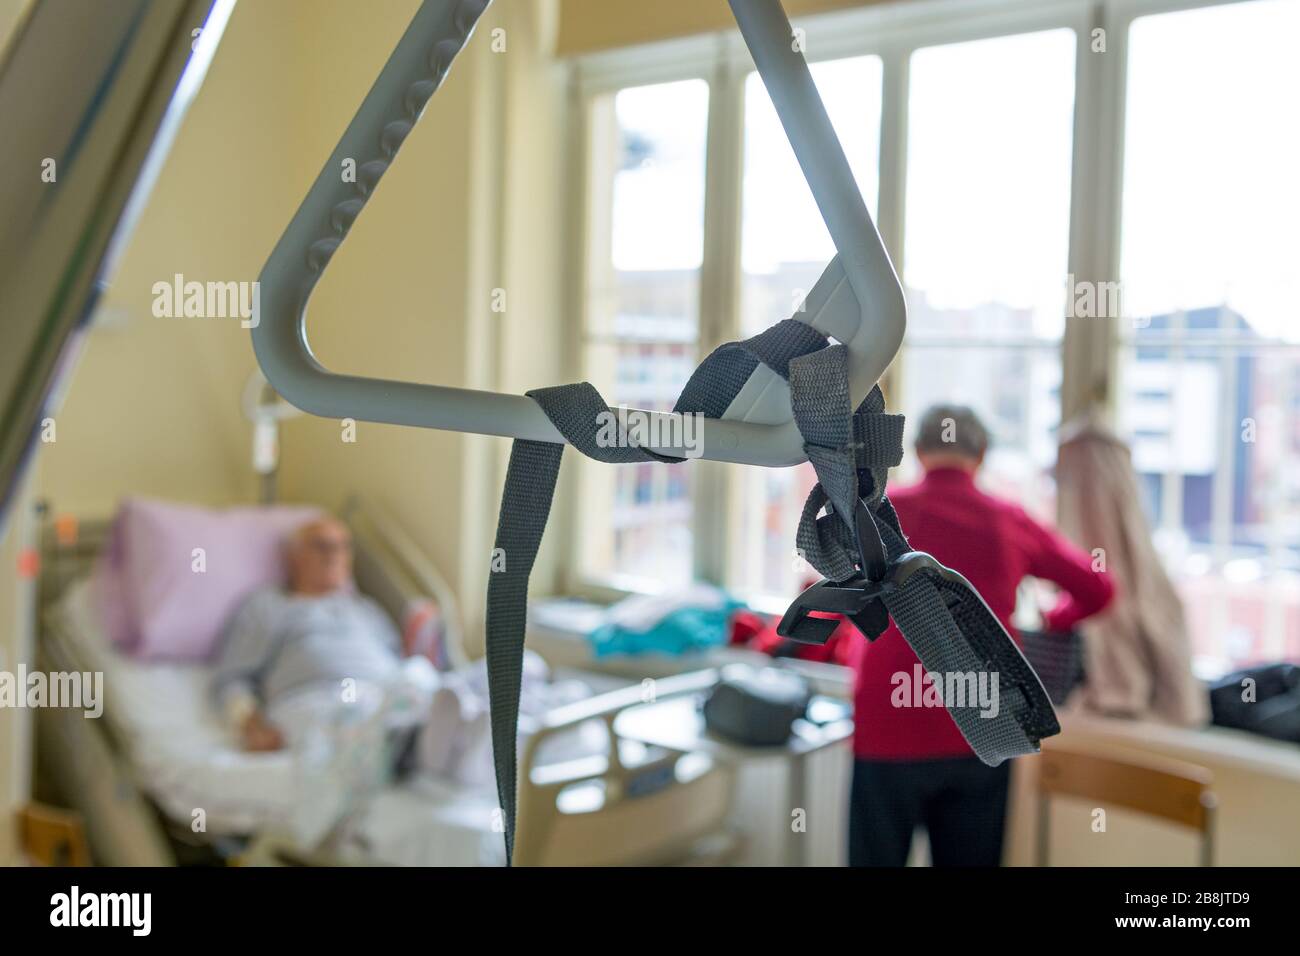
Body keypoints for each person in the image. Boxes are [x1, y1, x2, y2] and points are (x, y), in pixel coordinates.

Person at [848, 404, 1115, 867]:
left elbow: (829, 595)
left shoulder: (879, 517)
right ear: (983, 453)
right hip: (981, 724)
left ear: (916, 451)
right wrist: (1052, 619)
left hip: (887, 718)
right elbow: (1097, 588)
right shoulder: (1008, 519)